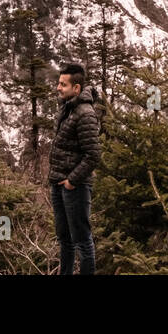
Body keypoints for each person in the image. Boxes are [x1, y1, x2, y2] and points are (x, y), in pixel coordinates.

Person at [48, 63, 102, 275]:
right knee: (65, 240)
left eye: (63, 84)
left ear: (76, 88)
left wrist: (72, 181)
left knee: (82, 241)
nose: (58, 87)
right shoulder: (67, 108)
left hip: (75, 187)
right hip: (58, 183)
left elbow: (93, 155)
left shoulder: (85, 113)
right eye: (59, 83)